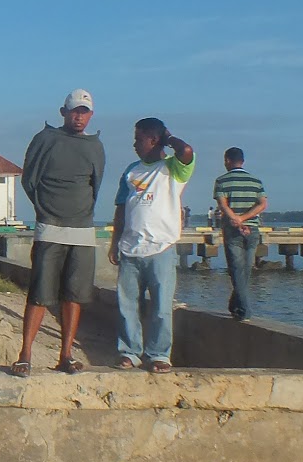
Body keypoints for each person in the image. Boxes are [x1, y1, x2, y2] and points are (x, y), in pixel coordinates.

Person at [12, 89, 105, 377]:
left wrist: (82, 214)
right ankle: (25, 353)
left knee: (73, 295)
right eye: (75, 110)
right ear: (63, 112)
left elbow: (96, 184)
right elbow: (29, 180)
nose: (79, 116)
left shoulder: (96, 146)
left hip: (82, 231)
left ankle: (66, 354)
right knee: (39, 294)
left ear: (91, 115)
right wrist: (45, 209)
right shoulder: (45, 139)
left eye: (84, 111)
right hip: (49, 227)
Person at [110, 118, 195, 373]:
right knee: (127, 306)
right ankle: (129, 352)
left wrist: (167, 136)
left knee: (160, 306)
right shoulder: (131, 170)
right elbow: (121, 209)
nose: (134, 144)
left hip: (161, 248)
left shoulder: (172, 168)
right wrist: (115, 242)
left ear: (153, 140)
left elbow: (187, 151)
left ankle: (158, 354)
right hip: (130, 248)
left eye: (139, 139)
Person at [213, 147, 268, 320]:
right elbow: (262, 204)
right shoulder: (256, 181)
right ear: (242, 161)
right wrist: (245, 217)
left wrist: (237, 219)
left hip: (232, 229)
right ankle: (234, 305)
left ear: (227, 160)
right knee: (245, 269)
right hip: (252, 229)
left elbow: (223, 205)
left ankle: (244, 310)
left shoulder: (221, 181)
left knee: (236, 269)